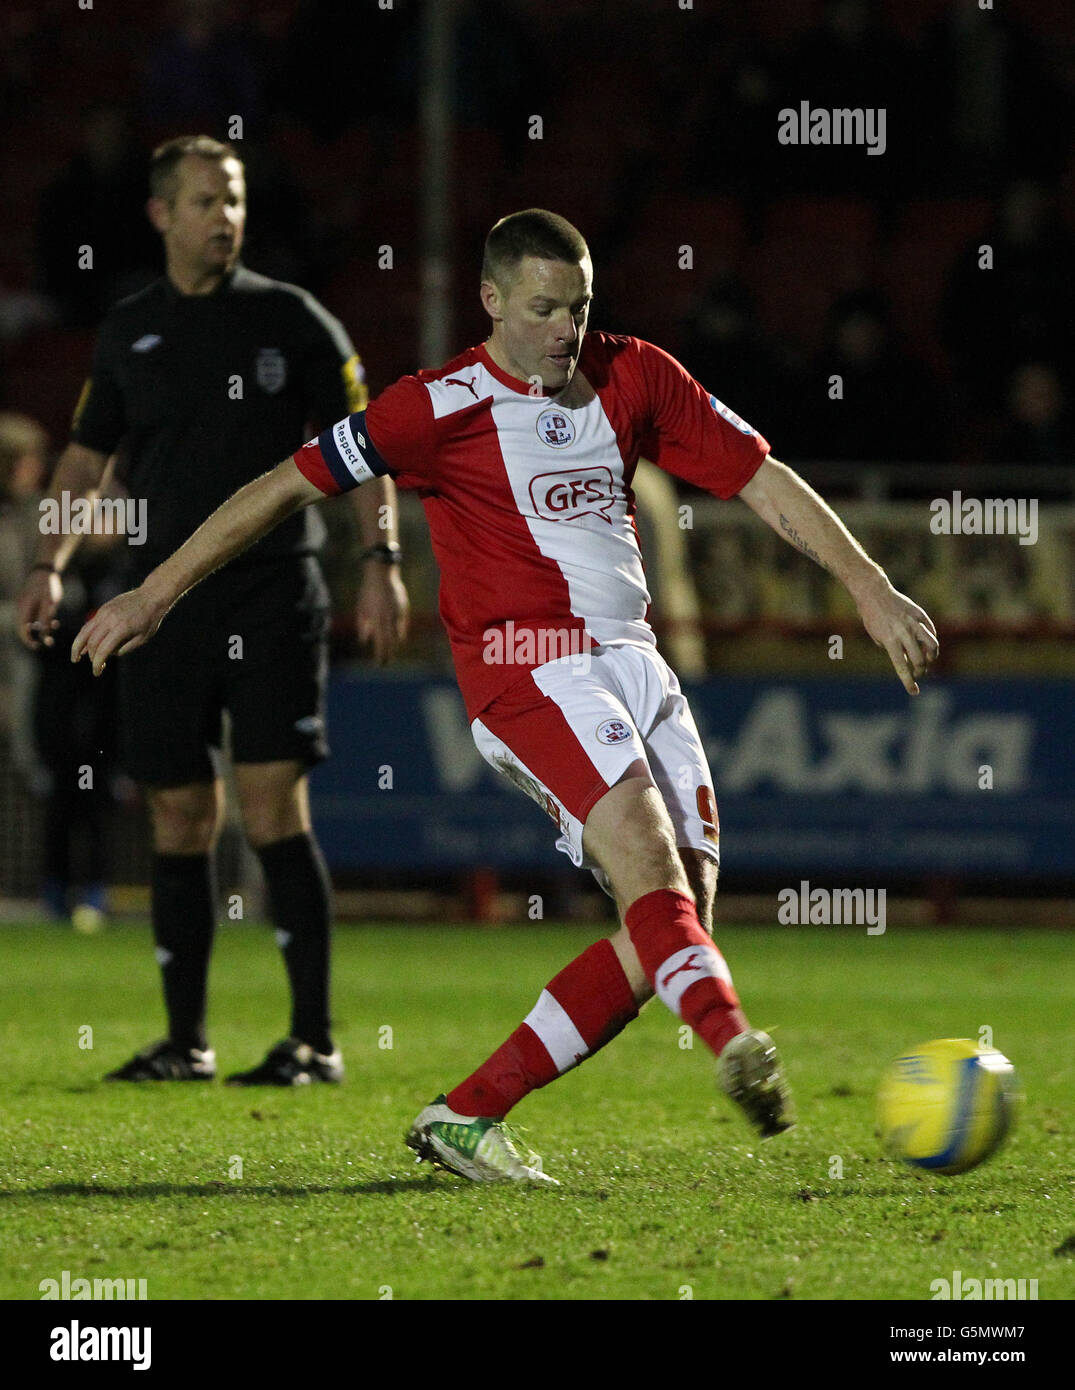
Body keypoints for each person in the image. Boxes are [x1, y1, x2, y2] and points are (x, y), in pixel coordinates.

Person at [70, 209, 938, 1178]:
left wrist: (867, 585)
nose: (565, 328)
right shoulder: (431, 406)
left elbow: (760, 478)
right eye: (542, 308)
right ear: (490, 302)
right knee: (651, 869)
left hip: (636, 664)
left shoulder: (633, 372)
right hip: (529, 671)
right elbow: (282, 485)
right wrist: (155, 592)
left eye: (579, 306)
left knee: (674, 915)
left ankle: (466, 1117)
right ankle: (734, 1040)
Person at [20, 135, 408, 1086]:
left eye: (232, 199)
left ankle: (313, 1040)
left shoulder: (295, 321)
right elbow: (85, 456)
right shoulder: (129, 330)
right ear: (161, 215)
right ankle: (184, 1042)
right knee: (179, 814)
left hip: (275, 591)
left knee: (274, 805)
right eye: (203, 201)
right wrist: (50, 563)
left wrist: (382, 559)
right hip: (159, 603)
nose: (224, 217)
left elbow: (362, 447)